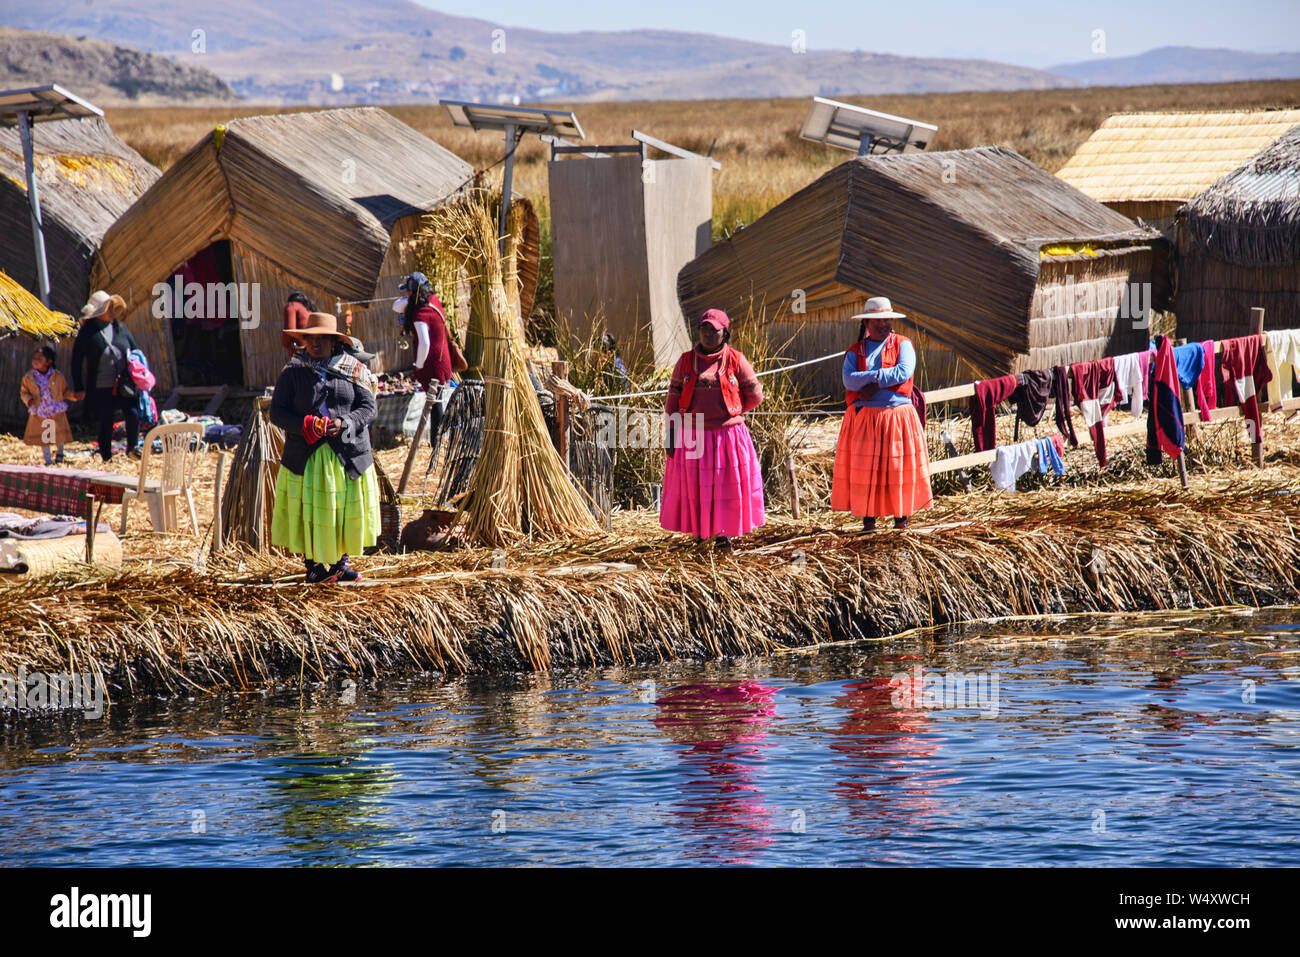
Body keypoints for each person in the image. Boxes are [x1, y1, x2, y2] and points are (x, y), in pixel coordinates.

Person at [270, 311, 381, 584]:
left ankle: (341, 565)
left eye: (323, 339)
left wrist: (345, 422)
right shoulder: (293, 372)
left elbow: (369, 408)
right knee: (312, 511)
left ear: (334, 342)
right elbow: (277, 413)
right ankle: (314, 568)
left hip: (347, 454)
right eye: (311, 338)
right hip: (307, 456)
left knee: (341, 509)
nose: (316, 344)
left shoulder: (354, 369)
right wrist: (304, 424)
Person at [660, 309, 765, 548]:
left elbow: (755, 395)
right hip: (692, 435)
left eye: (714, 330)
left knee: (723, 486)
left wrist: (733, 413)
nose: (708, 334)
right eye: (704, 329)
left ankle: (723, 535)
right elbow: (673, 401)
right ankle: (700, 534)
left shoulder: (736, 359)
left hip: (726, 437)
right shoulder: (686, 362)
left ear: (724, 333)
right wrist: (671, 434)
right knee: (697, 487)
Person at [831, 297, 932, 531]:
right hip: (867, 420)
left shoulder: (903, 344)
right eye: (878, 320)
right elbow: (848, 379)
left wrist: (873, 380)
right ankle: (869, 521)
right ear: (866, 322)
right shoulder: (855, 351)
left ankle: (901, 519)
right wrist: (880, 376)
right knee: (867, 470)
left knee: (898, 468)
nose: (883, 324)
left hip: (898, 417)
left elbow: (904, 371)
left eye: (887, 319)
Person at [68, 290, 142, 461]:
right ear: (99, 312)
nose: (111, 311)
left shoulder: (121, 328)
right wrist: (79, 386)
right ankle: (106, 455)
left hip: (124, 383)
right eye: (108, 308)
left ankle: (133, 448)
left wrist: (139, 374)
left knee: (132, 413)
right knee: (105, 420)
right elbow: (76, 360)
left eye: (111, 307)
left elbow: (135, 350)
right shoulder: (88, 333)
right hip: (101, 385)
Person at [20, 345, 72, 466]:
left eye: (40, 358)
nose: (35, 361)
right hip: (40, 410)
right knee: (44, 436)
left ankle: (60, 454)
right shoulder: (29, 378)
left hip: (55, 408)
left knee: (59, 433)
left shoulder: (57, 376)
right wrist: (29, 400)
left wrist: (73, 395)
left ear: (49, 362)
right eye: (34, 358)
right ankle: (48, 460)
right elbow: (24, 392)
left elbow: (64, 390)